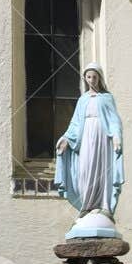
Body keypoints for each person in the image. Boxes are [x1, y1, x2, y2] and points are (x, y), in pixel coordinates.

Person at [53, 64, 124, 218]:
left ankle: (104, 205)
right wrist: (66, 139)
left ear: (99, 78)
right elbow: (75, 123)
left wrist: (116, 136)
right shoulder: (83, 100)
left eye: (94, 77)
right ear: (85, 78)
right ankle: (86, 204)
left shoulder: (107, 98)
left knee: (102, 169)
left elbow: (114, 120)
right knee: (85, 168)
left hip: (102, 137)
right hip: (85, 137)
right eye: (89, 77)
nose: (92, 80)